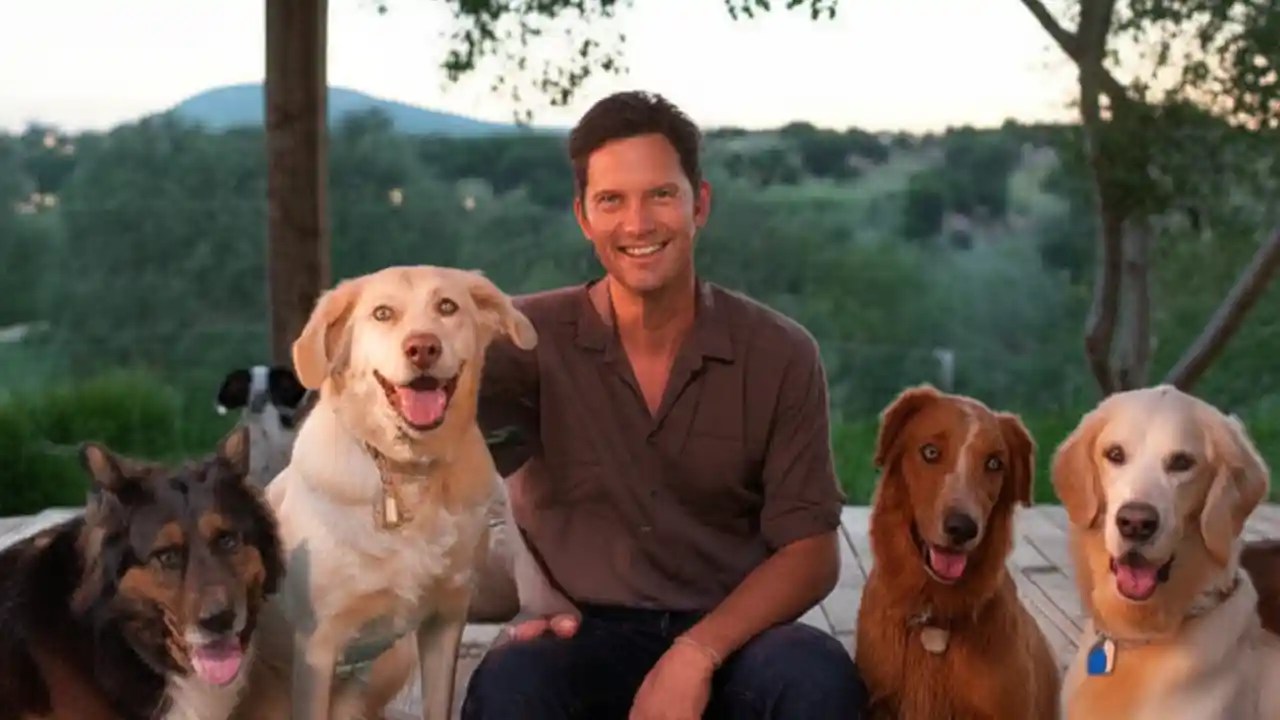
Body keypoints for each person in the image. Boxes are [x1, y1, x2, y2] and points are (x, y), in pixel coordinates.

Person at [463, 90, 869, 719]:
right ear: (583, 216)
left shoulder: (780, 353)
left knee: (817, 678)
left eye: (660, 194)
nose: (638, 223)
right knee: (510, 682)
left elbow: (812, 553)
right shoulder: (522, 339)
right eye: (611, 201)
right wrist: (529, 593)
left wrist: (697, 652)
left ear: (698, 203)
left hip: (735, 634)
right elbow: (420, 443)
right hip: (581, 635)